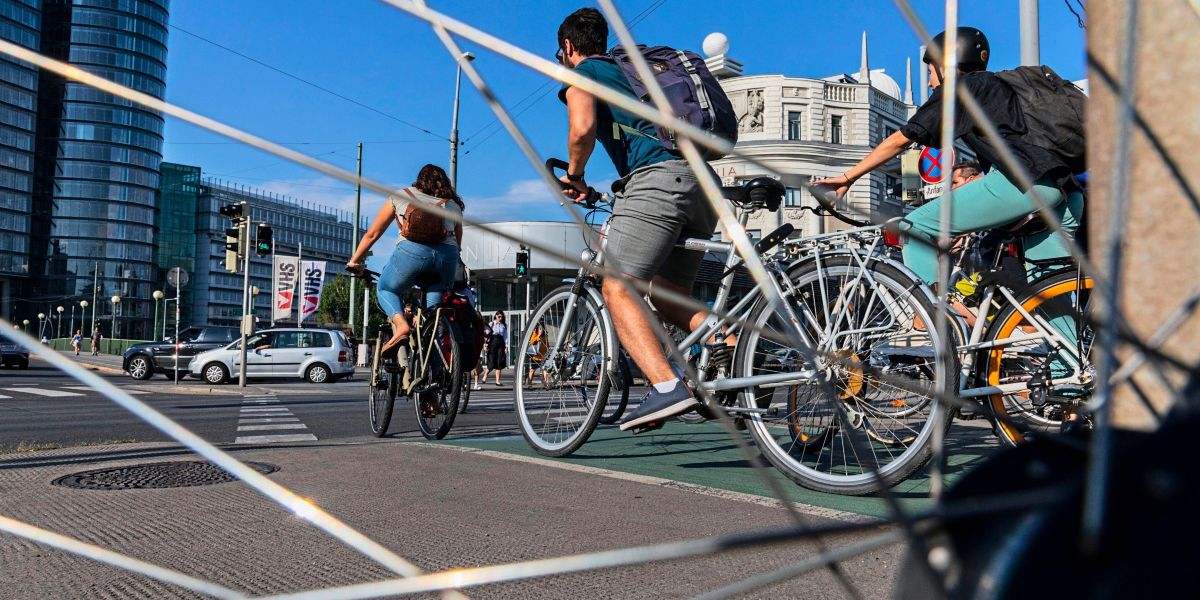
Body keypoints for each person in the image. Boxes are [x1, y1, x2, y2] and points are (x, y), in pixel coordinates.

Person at [556, 8, 727, 431]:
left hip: (658, 179)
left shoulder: (588, 72)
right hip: (703, 183)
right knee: (668, 293)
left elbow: (581, 130)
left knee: (617, 284)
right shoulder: (626, 71)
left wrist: (574, 176)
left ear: (568, 48)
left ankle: (667, 388)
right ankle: (732, 346)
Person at [812, 27, 1084, 288]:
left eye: (931, 71)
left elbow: (901, 139)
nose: (931, 81)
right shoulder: (1000, 86)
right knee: (1045, 291)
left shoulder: (963, 88)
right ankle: (1067, 337)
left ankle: (937, 320)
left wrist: (846, 178)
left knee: (913, 227)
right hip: (1065, 190)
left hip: (1022, 183)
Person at [346, 164, 464, 367]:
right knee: (432, 323)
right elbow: (458, 242)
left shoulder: (402, 195)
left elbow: (373, 234)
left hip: (412, 254)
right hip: (447, 260)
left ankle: (401, 325)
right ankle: (432, 390)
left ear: (419, 180)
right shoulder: (453, 205)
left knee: (386, 288)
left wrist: (354, 261)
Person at [480, 311, 507, 386]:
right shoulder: (491, 324)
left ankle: (497, 381)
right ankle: (485, 375)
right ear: (496, 316)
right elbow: (486, 335)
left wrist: (506, 346)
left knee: (499, 362)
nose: (500, 318)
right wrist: (485, 345)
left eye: (501, 317)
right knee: (491, 361)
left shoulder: (504, 325)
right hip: (492, 342)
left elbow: (505, 336)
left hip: (501, 342)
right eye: (499, 317)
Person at [525, 323, 550, 388]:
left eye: (542, 329)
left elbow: (547, 344)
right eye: (539, 329)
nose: (541, 330)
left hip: (543, 355)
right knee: (533, 369)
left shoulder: (545, 336)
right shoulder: (535, 333)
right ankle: (529, 384)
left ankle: (546, 384)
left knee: (545, 370)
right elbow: (531, 342)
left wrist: (548, 351)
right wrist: (538, 335)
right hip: (536, 356)